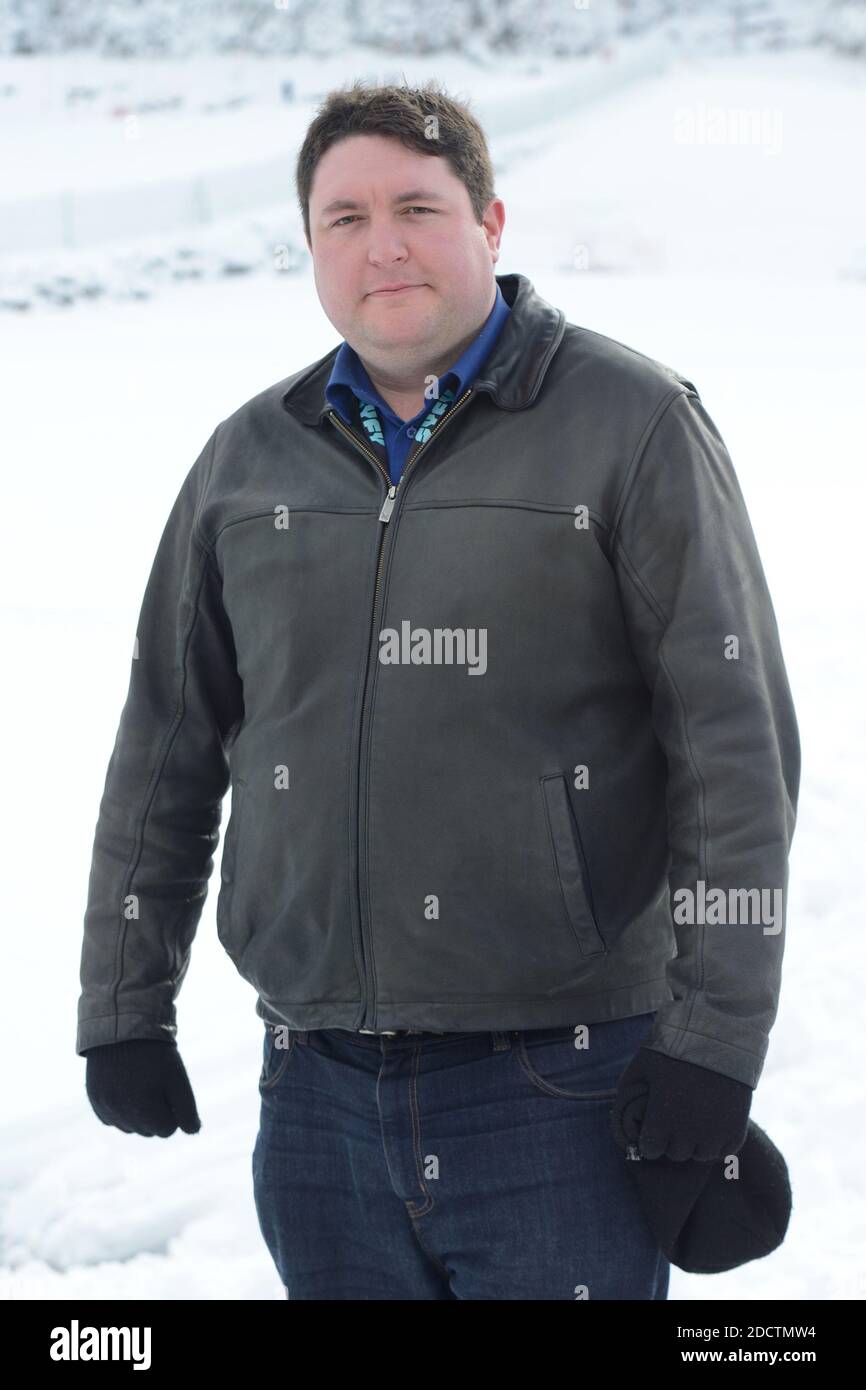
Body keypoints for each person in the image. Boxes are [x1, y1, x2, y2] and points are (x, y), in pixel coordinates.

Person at [77, 79, 800, 1301]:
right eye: (342, 218)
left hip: (559, 1090)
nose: (383, 244)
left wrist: (716, 1044)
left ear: (492, 222)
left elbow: (733, 751)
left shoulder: (629, 425)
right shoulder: (247, 461)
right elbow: (169, 742)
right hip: (312, 1095)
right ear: (309, 246)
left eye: (417, 205)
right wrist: (122, 1004)